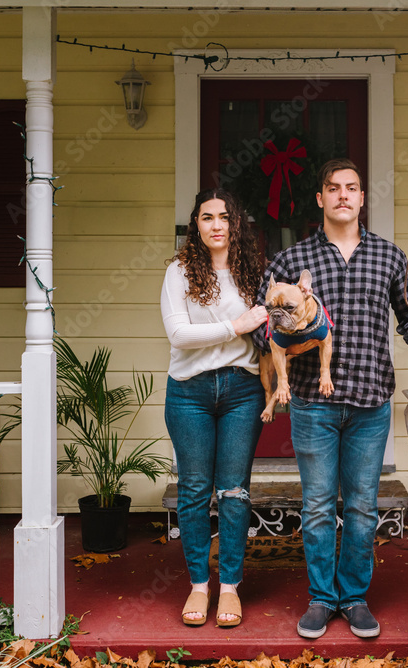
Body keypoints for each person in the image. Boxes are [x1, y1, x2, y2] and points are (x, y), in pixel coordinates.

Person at [252, 158, 408, 639]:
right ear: (320, 199)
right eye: (333, 188)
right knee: (318, 504)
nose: (342, 195)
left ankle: (354, 597)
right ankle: (322, 598)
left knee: (361, 506)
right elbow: (261, 326)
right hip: (311, 402)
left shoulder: (388, 257)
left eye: (351, 188)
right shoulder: (289, 262)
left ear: (362, 198)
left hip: (370, 399)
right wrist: (287, 340)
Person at [161, 188, 268, 628]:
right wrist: (236, 326)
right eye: (208, 218)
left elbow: (275, 322)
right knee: (193, 489)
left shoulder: (254, 273)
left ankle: (230, 587)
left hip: (243, 390)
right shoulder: (179, 272)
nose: (217, 225)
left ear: (236, 224)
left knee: (234, 490)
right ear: (196, 225)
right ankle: (198, 585)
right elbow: (178, 335)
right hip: (190, 393)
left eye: (225, 217)